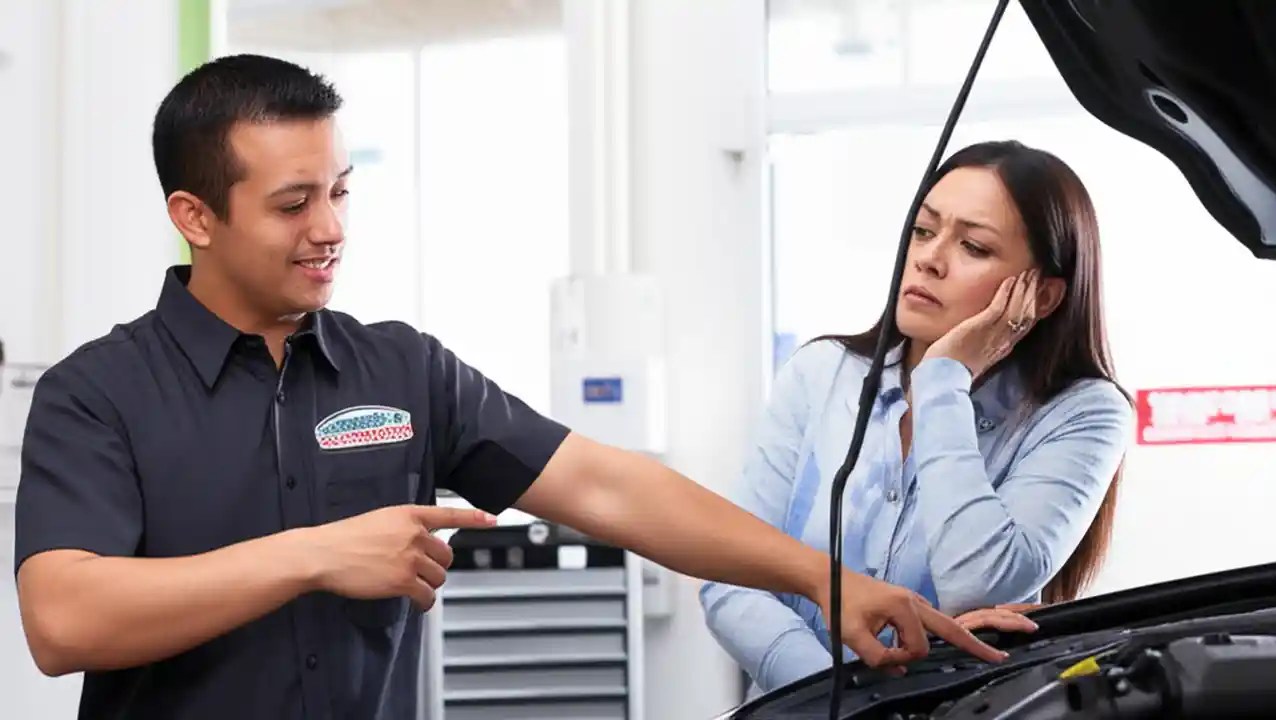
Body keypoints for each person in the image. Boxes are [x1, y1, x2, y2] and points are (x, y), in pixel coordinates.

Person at [11, 55, 1004, 720]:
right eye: (291, 203)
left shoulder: (401, 368)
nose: (331, 228)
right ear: (194, 214)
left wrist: (817, 581)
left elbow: (611, 488)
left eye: (341, 189)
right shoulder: (97, 394)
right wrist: (315, 556)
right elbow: (65, 621)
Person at [700, 140, 1134, 695]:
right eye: (923, 231)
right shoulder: (821, 373)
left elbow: (977, 583)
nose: (929, 258)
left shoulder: (1083, 414)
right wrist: (847, 698)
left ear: (1041, 297)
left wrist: (943, 379)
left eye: (973, 246)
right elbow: (733, 576)